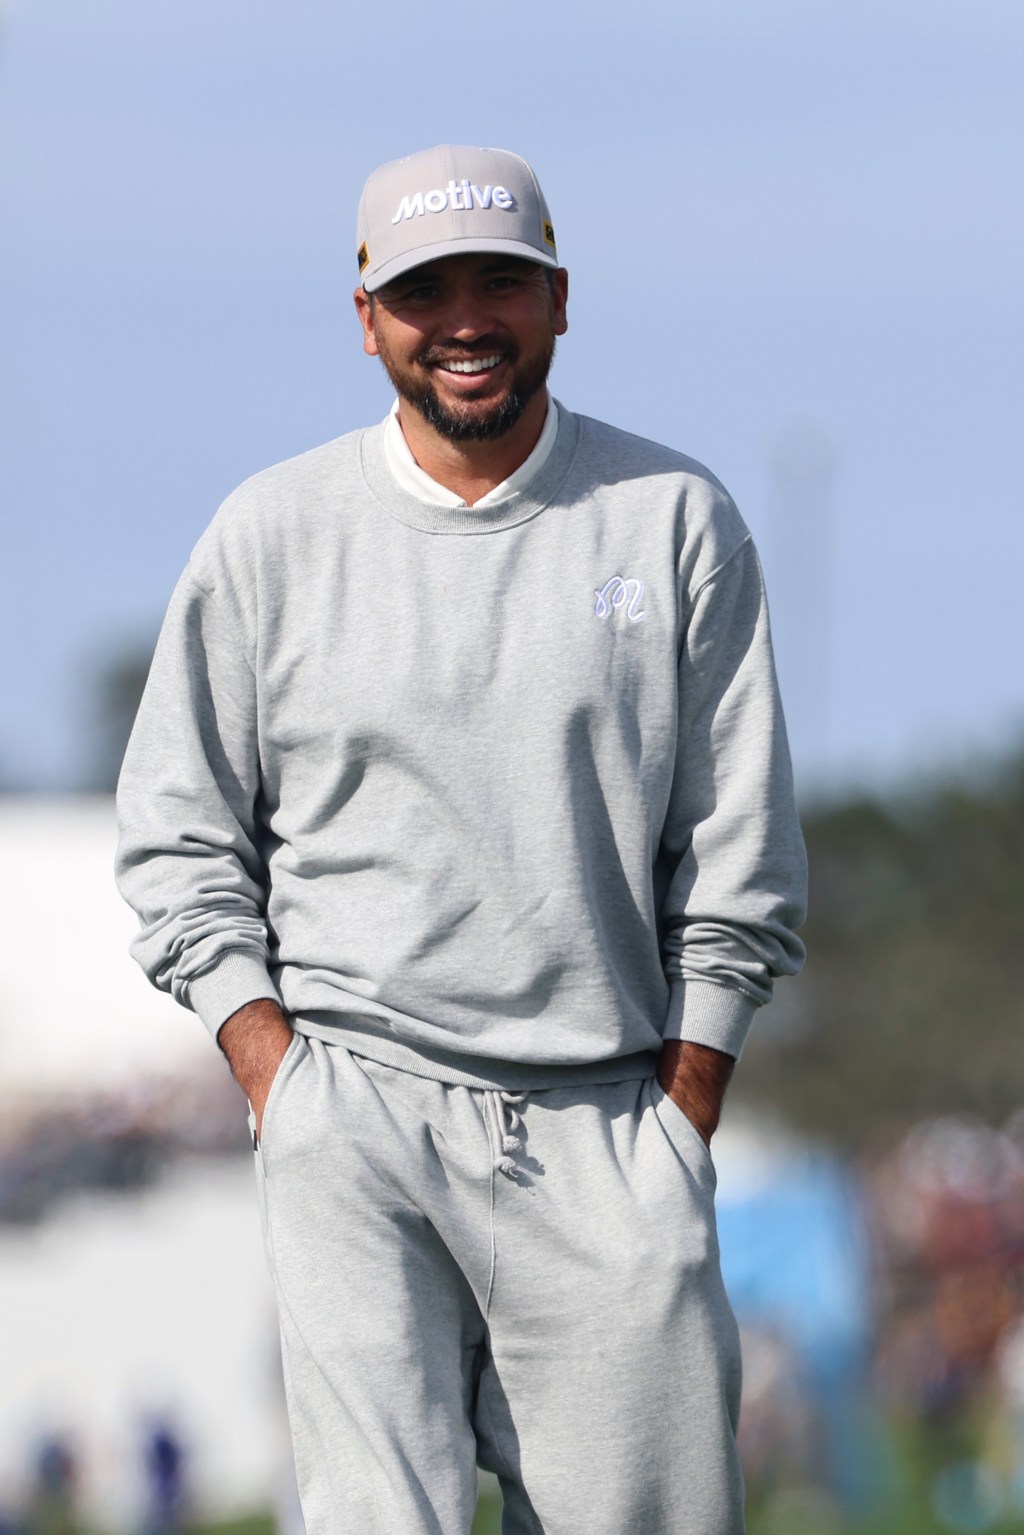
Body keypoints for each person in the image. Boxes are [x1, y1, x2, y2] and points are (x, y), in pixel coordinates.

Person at [116, 143, 807, 1535]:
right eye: (428, 291)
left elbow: (738, 841)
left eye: (504, 280)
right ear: (369, 316)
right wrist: (277, 1075)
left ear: (562, 300)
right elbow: (178, 832)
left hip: (613, 1119)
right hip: (353, 1109)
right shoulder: (272, 536)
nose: (468, 321)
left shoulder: (673, 521)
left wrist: (685, 1106)